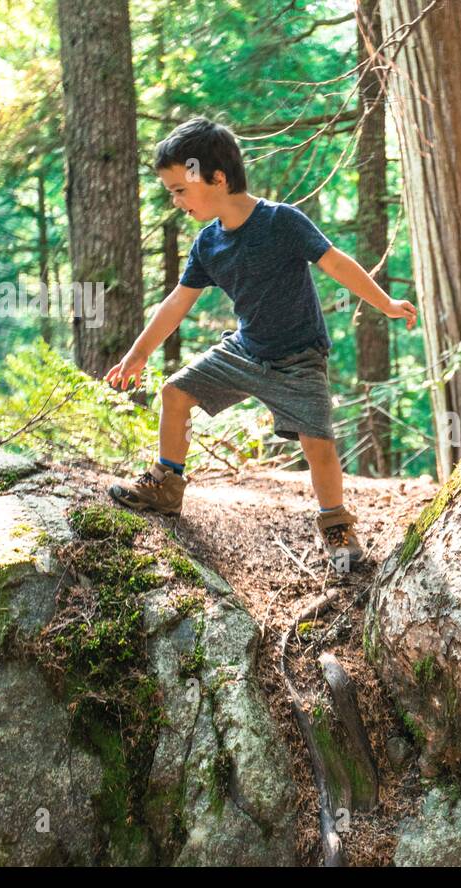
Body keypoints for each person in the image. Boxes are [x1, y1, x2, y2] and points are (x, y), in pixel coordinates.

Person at [104, 117, 416, 567]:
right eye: (171, 192)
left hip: (300, 359)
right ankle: (166, 486)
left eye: (180, 190)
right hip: (245, 351)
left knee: (318, 444)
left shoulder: (280, 221)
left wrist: (384, 303)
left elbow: (335, 263)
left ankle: (336, 525)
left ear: (217, 178)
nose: (175, 201)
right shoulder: (207, 245)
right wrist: (138, 354)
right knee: (175, 393)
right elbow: (177, 303)